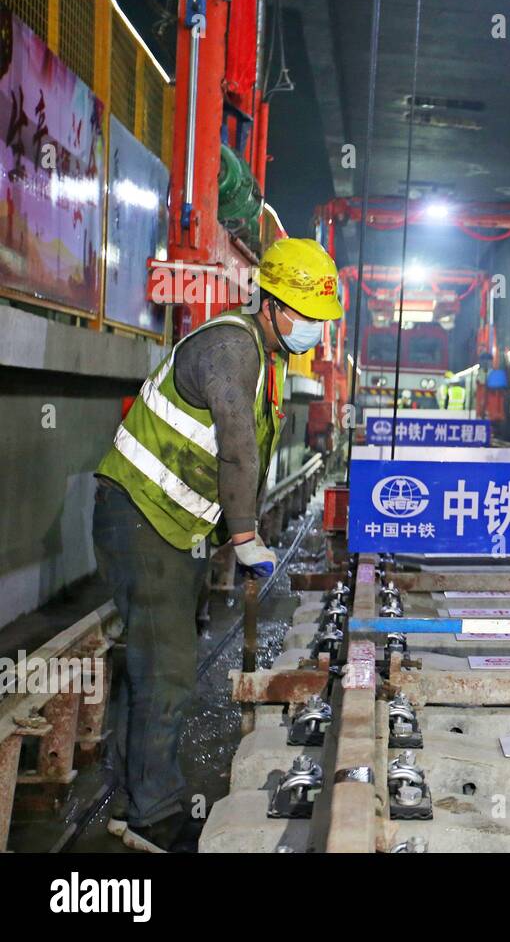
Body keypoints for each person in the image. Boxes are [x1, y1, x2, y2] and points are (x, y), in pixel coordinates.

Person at [93, 238, 342, 851]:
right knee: (171, 669)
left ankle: (128, 802)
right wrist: (245, 535)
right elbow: (237, 445)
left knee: (151, 665)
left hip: (169, 524)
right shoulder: (233, 347)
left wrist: (235, 531)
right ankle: (156, 817)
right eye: (307, 316)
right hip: (140, 514)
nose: (314, 329)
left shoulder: (264, 354)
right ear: (275, 305)